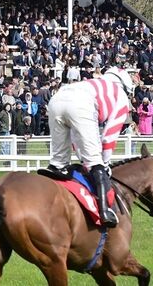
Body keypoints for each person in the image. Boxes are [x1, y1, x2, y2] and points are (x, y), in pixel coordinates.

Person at [45, 65, 135, 227]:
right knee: (96, 162)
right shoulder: (120, 95)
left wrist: (82, 155)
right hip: (81, 105)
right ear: (125, 87)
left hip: (56, 99)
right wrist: (102, 164)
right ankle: (105, 211)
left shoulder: (91, 83)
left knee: (58, 163)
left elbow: (75, 137)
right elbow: (109, 136)